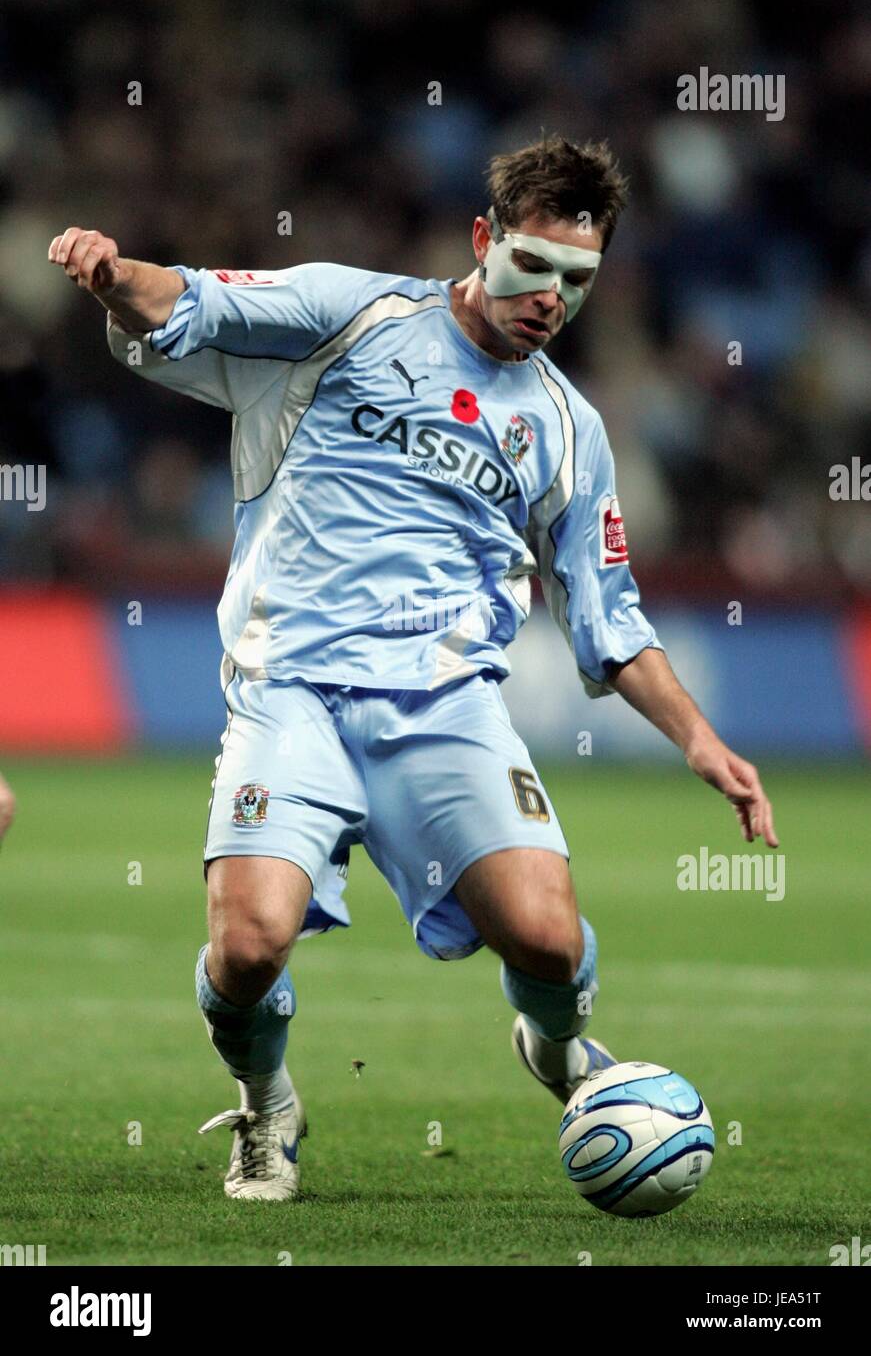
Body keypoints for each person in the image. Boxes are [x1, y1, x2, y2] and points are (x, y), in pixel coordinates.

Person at [48, 136, 778, 1202]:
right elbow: (189, 300)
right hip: (288, 688)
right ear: (484, 241)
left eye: (578, 281)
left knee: (546, 936)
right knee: (248, 947)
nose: (550, 300)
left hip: (446, 706)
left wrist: (702, 738)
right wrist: (114, 276)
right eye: (533, 267)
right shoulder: (351, 311)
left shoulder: (568, 430)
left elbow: (611, 619)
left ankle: (555, 1044)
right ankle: (266, 1106)